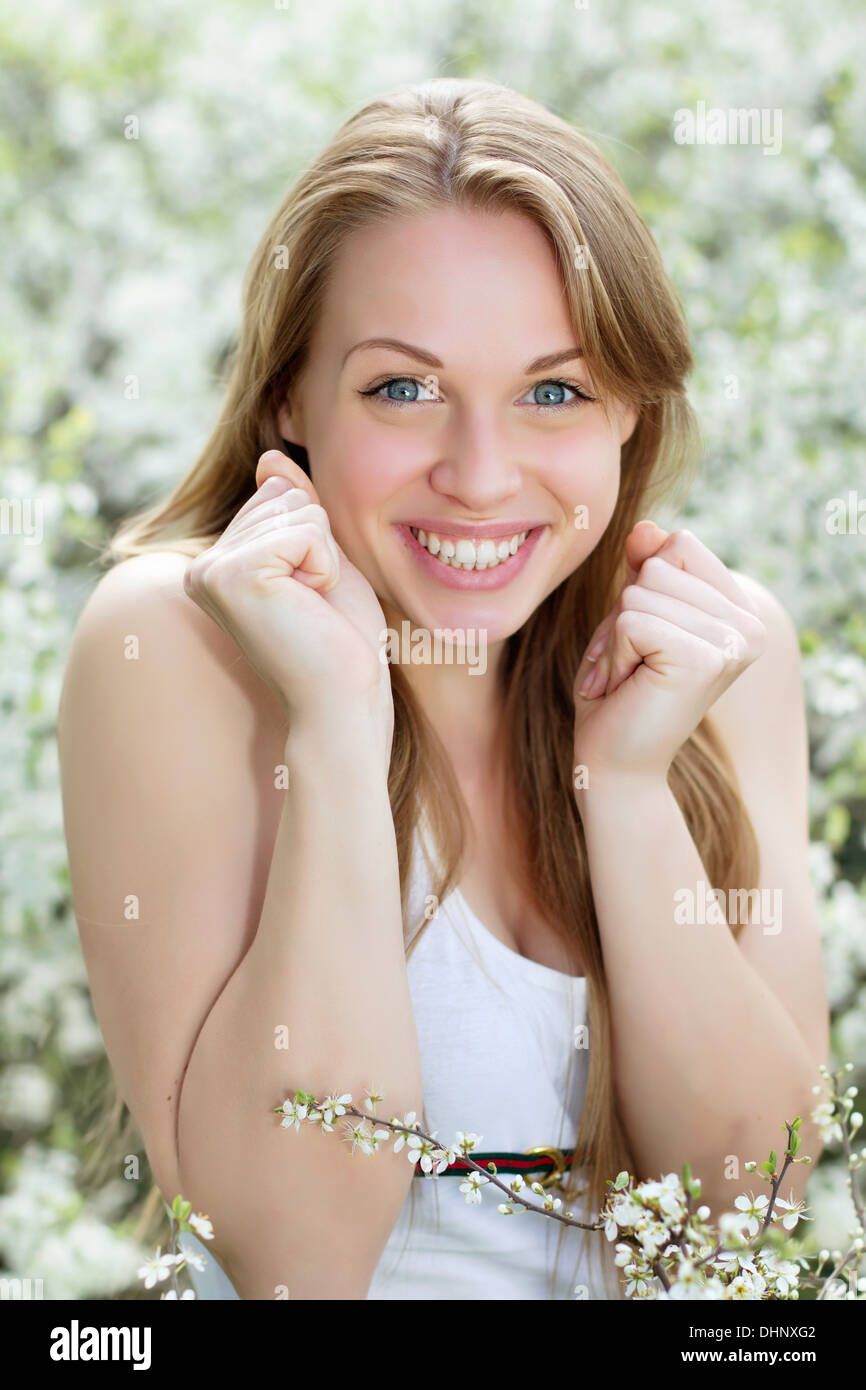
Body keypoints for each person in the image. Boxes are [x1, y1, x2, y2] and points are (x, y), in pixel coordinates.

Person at [57, 76, 830, 1301]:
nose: (478, 475)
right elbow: (292, 1265)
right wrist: (332, 723)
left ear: (629, 410)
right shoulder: (177, 643)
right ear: (288, 400)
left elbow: (740, 1216)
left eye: (553, 390)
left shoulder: (720, 656)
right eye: (402, 389)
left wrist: (624, 789)